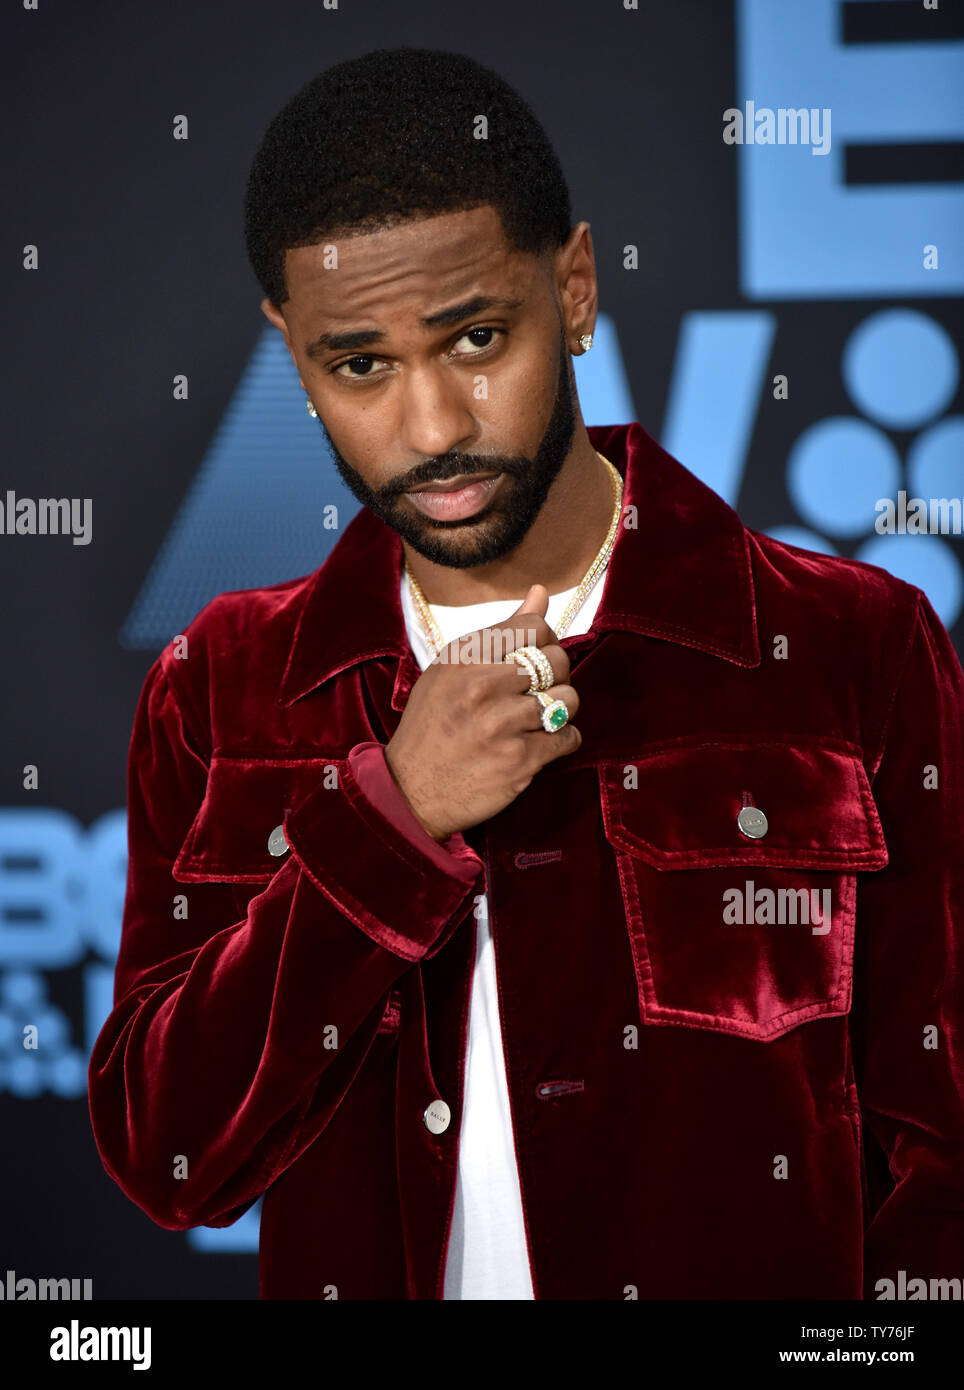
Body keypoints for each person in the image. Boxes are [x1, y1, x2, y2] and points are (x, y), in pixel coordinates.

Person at [88, 46, 964, 1301]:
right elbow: (169, 1157)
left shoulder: (850, 647)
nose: (434, 425)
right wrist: (389, 819)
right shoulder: (220, 685)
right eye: (360, 366)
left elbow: (939, 1159)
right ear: (291, 351)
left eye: (477, 337)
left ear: (577, 286)